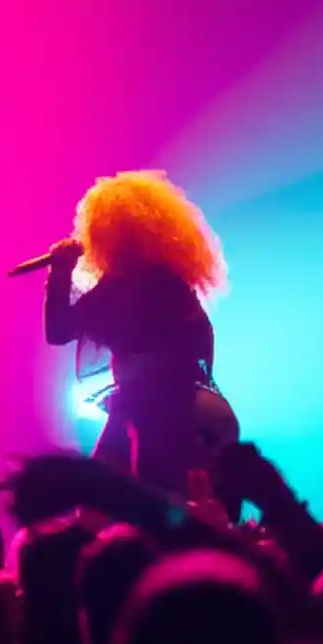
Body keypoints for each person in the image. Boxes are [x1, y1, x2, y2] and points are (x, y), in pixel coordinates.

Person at [42, 170, 237, 496]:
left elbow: (59, 329)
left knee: (115, 502)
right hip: (187, 408)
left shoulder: (133, 284)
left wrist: (60, 272)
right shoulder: (169, 282)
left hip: (156, 412)